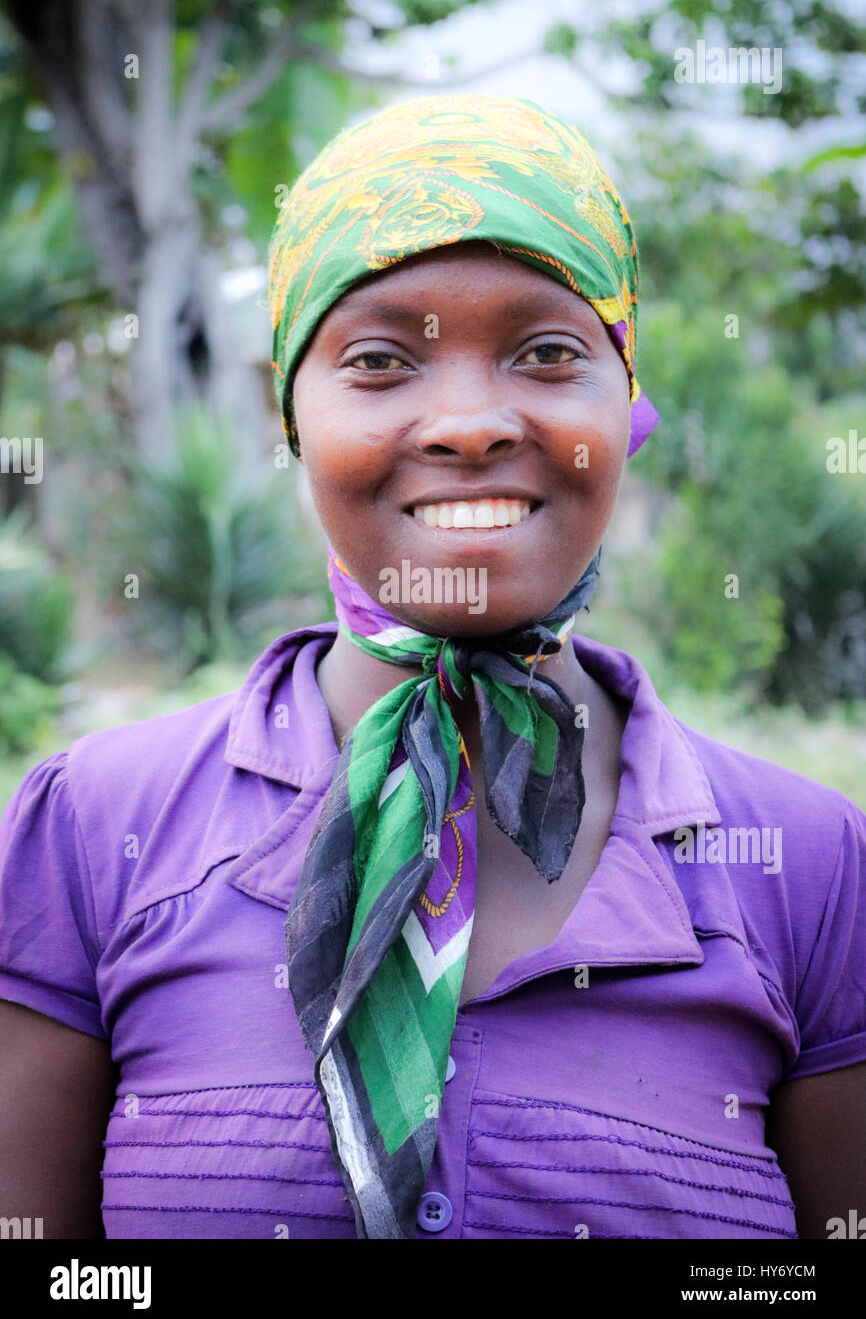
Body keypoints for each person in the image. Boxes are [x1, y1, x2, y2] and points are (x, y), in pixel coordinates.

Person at [1, 94, 864, 1241]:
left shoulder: (808, 868)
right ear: (291, 414)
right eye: (376, 358)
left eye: (549, 351)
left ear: (626, 404)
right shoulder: (91, 832)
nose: (466, 421)